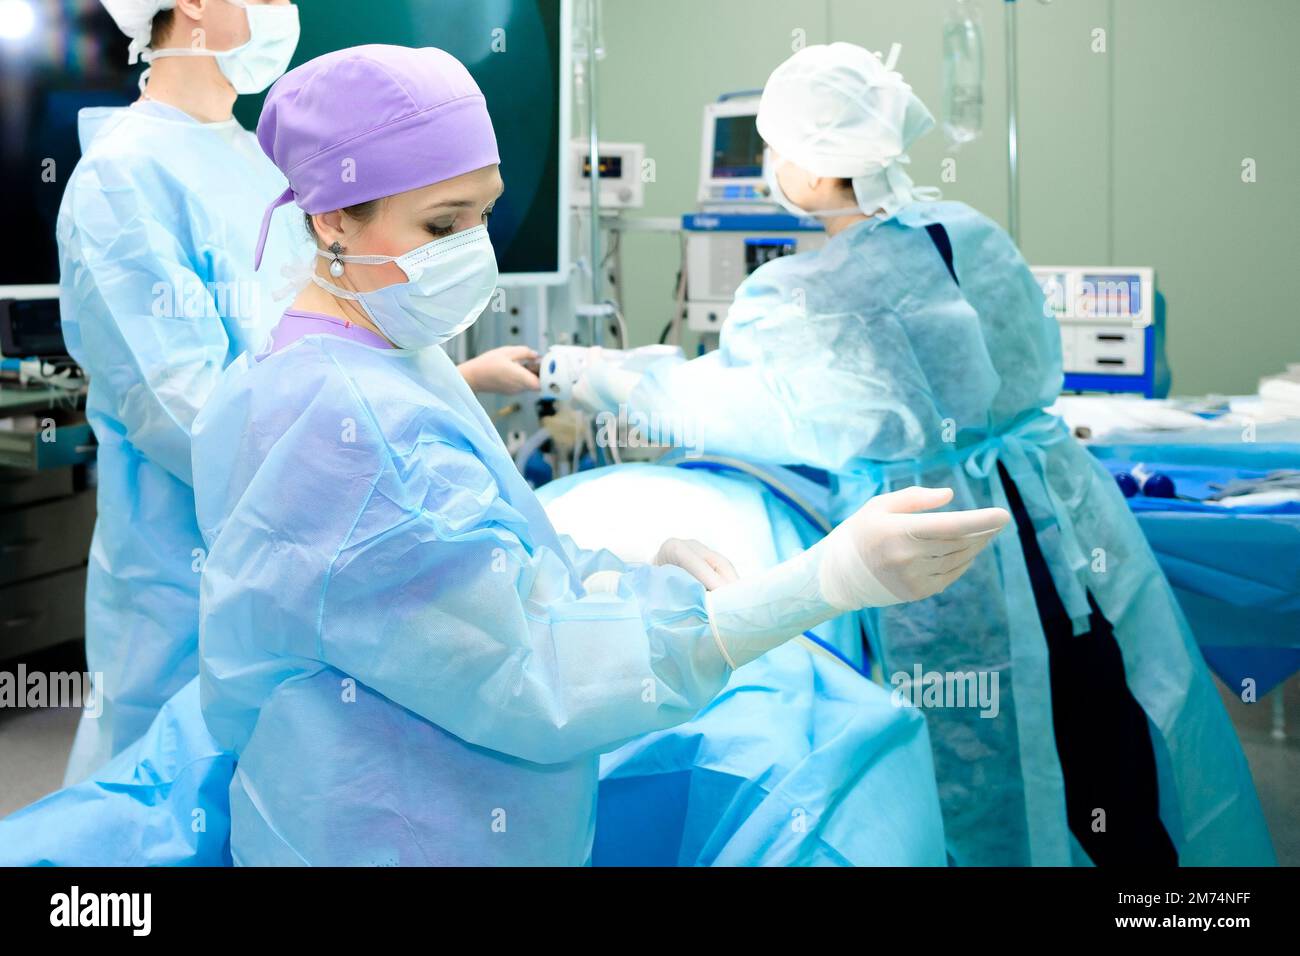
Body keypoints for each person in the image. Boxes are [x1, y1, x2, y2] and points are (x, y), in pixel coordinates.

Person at [190, 44, 1009, 865]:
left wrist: (620, 570)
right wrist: (823, 583)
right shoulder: (347, 427)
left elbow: (477, 567)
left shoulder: (364, 346)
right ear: (332, 217)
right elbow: (537, 670)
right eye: (443, 224)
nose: (475, 247)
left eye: (484, 214)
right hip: (405, 832)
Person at [572, 42, 1274, 866]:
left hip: (952, 551)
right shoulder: (969, 233)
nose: (768, 162)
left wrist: (584, 374)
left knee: (987, 766)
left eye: (776, 144)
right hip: (1063, 526)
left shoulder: (810, 294)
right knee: (1110, 732)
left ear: (814, 161)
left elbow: (723, 403)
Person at [59, 0, 538, 785]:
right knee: (164, 793)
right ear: (190, 8)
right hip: (189, 568)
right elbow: (189, 418)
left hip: (306, 546)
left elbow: (323, 326)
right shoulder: (122, 181)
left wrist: (445, 384)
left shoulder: (255, 159)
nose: (286, 9)